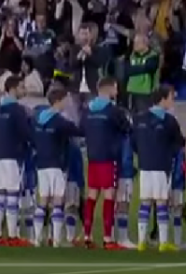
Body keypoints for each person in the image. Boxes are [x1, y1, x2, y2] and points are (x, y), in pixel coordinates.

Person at [134, 85, 184, 252]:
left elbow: (134, 143)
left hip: (144, 165)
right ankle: (163, 242)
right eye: (171, 97)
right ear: (163, 99)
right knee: (162, 202)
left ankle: (141, 241)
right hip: (161, 165)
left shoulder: (139, 118)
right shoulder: (169, 120)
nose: (172, 101)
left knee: (145, 202)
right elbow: (179, 143)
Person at [32, 86, 83, 247]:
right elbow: (78, 131)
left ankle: (37, 239)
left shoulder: (38, 119)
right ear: (58, 101)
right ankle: (55, 240)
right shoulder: (61, 122)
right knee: (57, 201)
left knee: (42, 201)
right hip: (58, 164)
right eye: (65, 99)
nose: (67, 103)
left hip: (41, 163)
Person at [82, 76, 128, 248]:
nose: (117, 91)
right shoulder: (113, 110)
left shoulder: (88, 109)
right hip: (109, 157)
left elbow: (82, 128)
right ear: (109, 89)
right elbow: (126, 128)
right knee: (109, 196)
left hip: (93, 156)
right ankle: (108, 238)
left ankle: (87, 235)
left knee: (92, 195)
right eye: (115, 88)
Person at [0, 75, 32, 246]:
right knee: (13, 195)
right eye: (22, 87)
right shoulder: (17, 110)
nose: (24, 90)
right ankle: (13, 236)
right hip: (13, 155)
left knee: (0, 195)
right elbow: (25, 133)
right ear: (13, 89)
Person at [113, 117, 138, 249]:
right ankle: (122, 238)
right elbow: (126, 157)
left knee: (113, 204)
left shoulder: (112, 136)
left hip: (113, 171)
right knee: (123, 204)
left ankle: (111, 236)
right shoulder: (127, 138)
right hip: (124, 173)